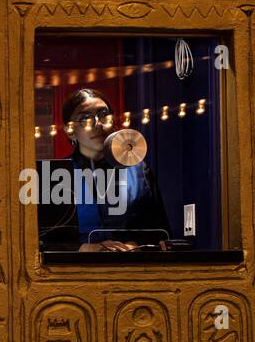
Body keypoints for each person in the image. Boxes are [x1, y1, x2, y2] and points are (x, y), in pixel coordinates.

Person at [50, 88, 172, 252]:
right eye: (85, 118)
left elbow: (162, 233)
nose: (98, 124)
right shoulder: (57, 175)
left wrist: (137, 245)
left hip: (131, 269)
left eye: (103, 114)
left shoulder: (138, 170)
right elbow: (45, 242)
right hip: (75, 272)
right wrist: (84, 248)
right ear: (70, 130)